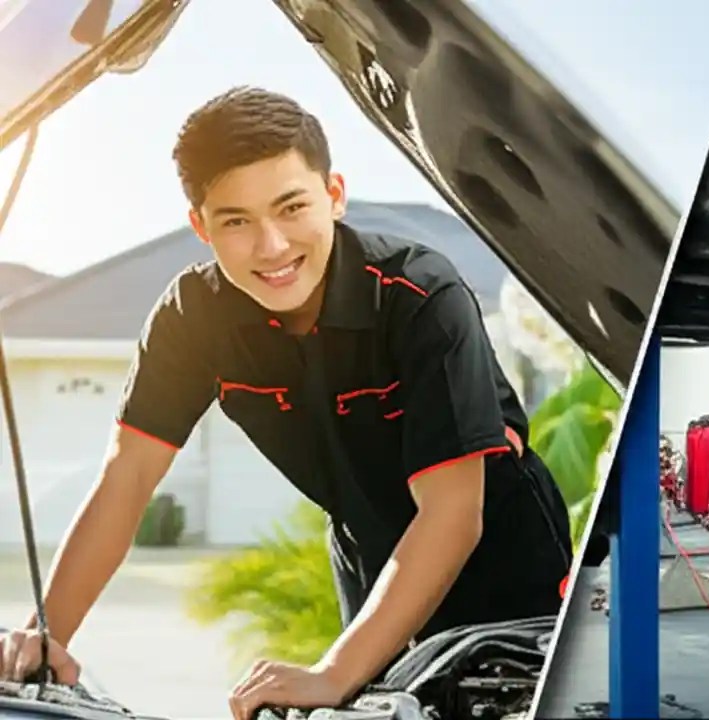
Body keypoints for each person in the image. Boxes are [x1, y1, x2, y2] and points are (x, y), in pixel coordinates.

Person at [0, 88, 572, 718]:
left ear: (334, 195)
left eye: (291, 207)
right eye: (236, 221)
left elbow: (454, 513)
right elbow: (127, 477)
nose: (271, 246)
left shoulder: (420, 295)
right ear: (201, 227)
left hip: (503, 560)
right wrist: (46, 634)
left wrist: (332, 673)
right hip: (368, 556)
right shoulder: (191, 318)